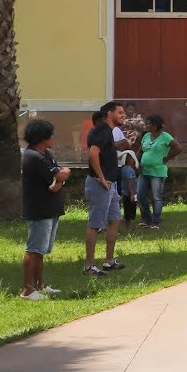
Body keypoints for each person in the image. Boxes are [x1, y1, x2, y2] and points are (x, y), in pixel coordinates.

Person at [20, 119, 70, 300]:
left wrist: (60, 178)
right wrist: (61, 176)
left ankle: (39, 287)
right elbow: (59, 173)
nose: (53, 138)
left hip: (50, 208)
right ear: (42, 137)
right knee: (33, 249)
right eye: (51, 134)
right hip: (39, 209)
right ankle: (27, 290)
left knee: (41, 251)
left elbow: (59, 175)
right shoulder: (34, 156)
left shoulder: (46, 154)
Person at [84, 102, 126, 275]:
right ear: (110, 113)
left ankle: (109, 260)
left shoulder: (107, 132)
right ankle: (89, 266)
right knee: (96, 224)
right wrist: (102, 178)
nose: (124, 115)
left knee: (115, 219)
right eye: (120, 112)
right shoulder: (102, 130)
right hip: (101, 183)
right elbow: (93, 154)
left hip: (111, 184)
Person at [137, 115, 180, 229]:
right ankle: (147, 220)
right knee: (141, 196)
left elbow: (178, 148)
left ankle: (155, 222)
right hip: (144, 171)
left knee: (156, 197)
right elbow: (140, 151)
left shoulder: (165, 137)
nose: (147, 126)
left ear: (156, 126)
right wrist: (137, 163)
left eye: (149, 124)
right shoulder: (146, 136)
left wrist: (167, 158)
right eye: (146, 124)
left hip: (157, 172)